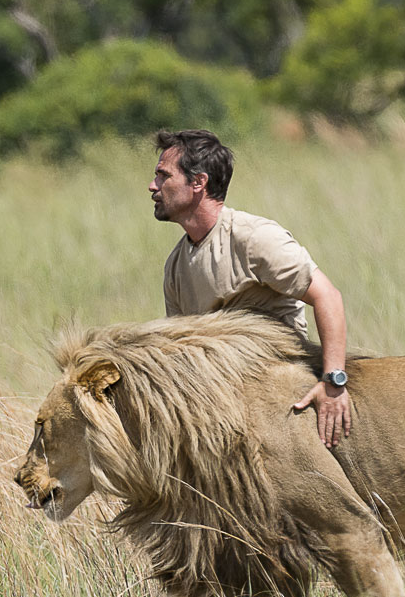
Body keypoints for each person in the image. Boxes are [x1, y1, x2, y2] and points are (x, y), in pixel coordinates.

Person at [149, 128, 353, 448]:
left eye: (163, 176)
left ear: (198, 182)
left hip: (280, 390)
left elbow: (328, 296)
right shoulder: (175, 265)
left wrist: (333, 383)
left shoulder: (253, 238)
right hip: (227, 399)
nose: (153, 186)